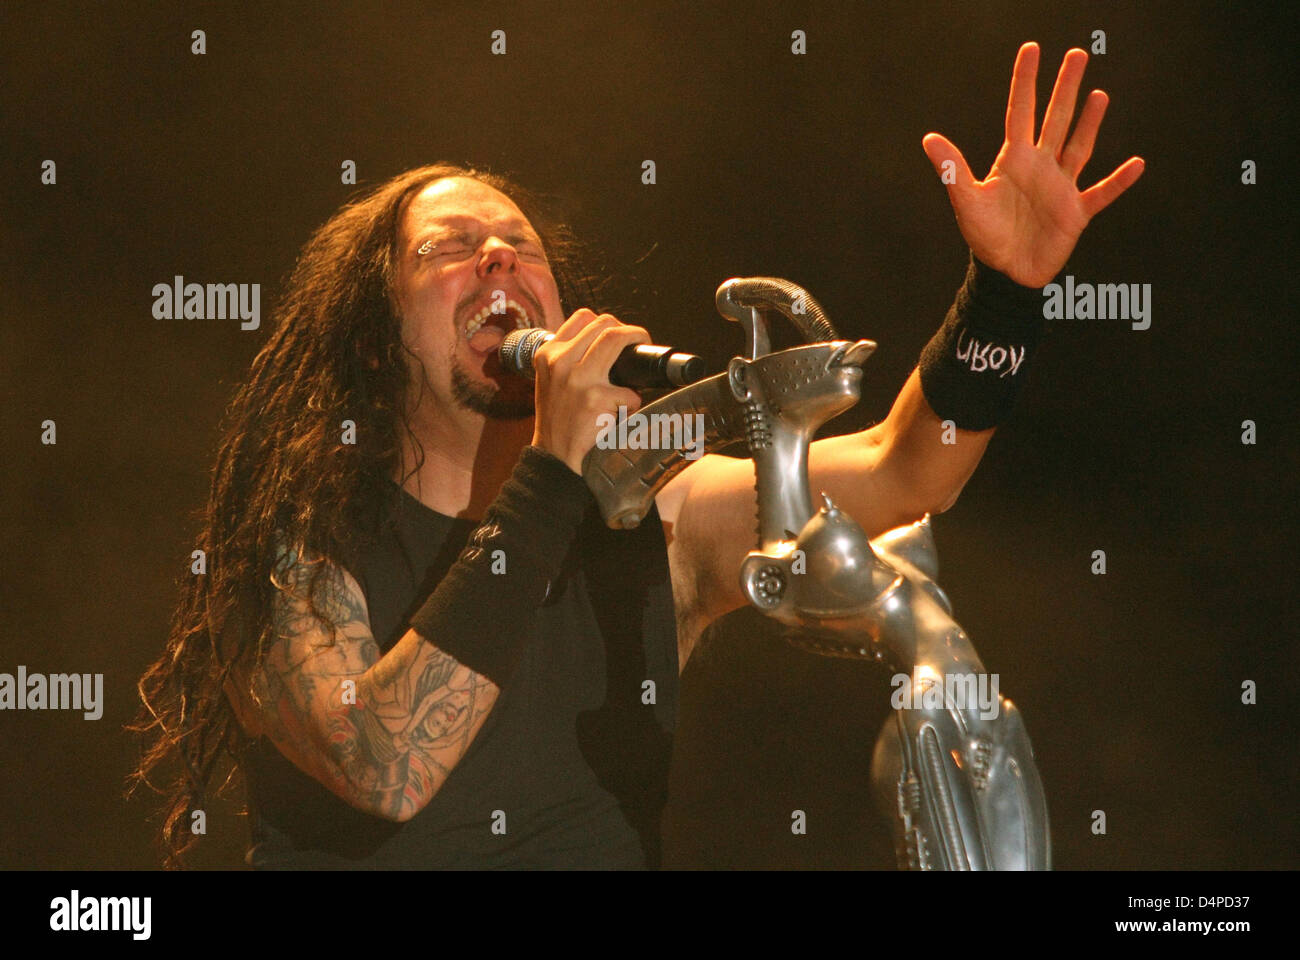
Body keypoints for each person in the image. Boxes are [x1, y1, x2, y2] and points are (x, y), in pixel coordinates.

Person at [130, 42, 1142, 868]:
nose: (498, 258)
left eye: (521, 248)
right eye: (448, 250)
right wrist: (553, 471)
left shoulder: (650, 515)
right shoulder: (289, 562)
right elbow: (387, 762)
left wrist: (1004, 294)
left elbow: (905, 472)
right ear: (367, 336)